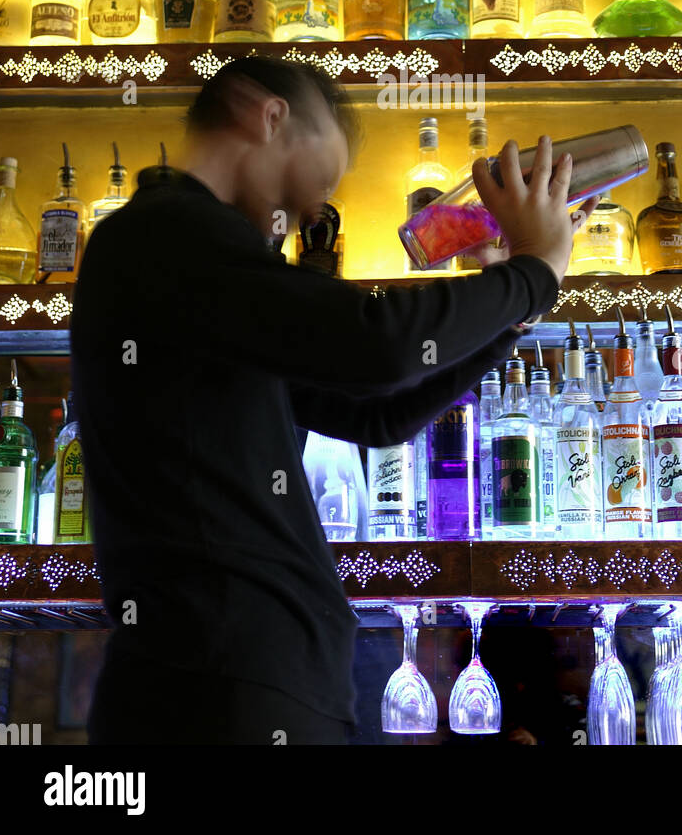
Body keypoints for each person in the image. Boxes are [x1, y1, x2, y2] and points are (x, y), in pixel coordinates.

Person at [72, 56, 583, 746]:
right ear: (267, 116)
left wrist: (507, 323)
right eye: (319, 181)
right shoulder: (163, 234)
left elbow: (376, 413)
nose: (316, 211)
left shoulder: (205, 285)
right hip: (218, 687)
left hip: (252, 683)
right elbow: (377, 341)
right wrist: (532, 272)